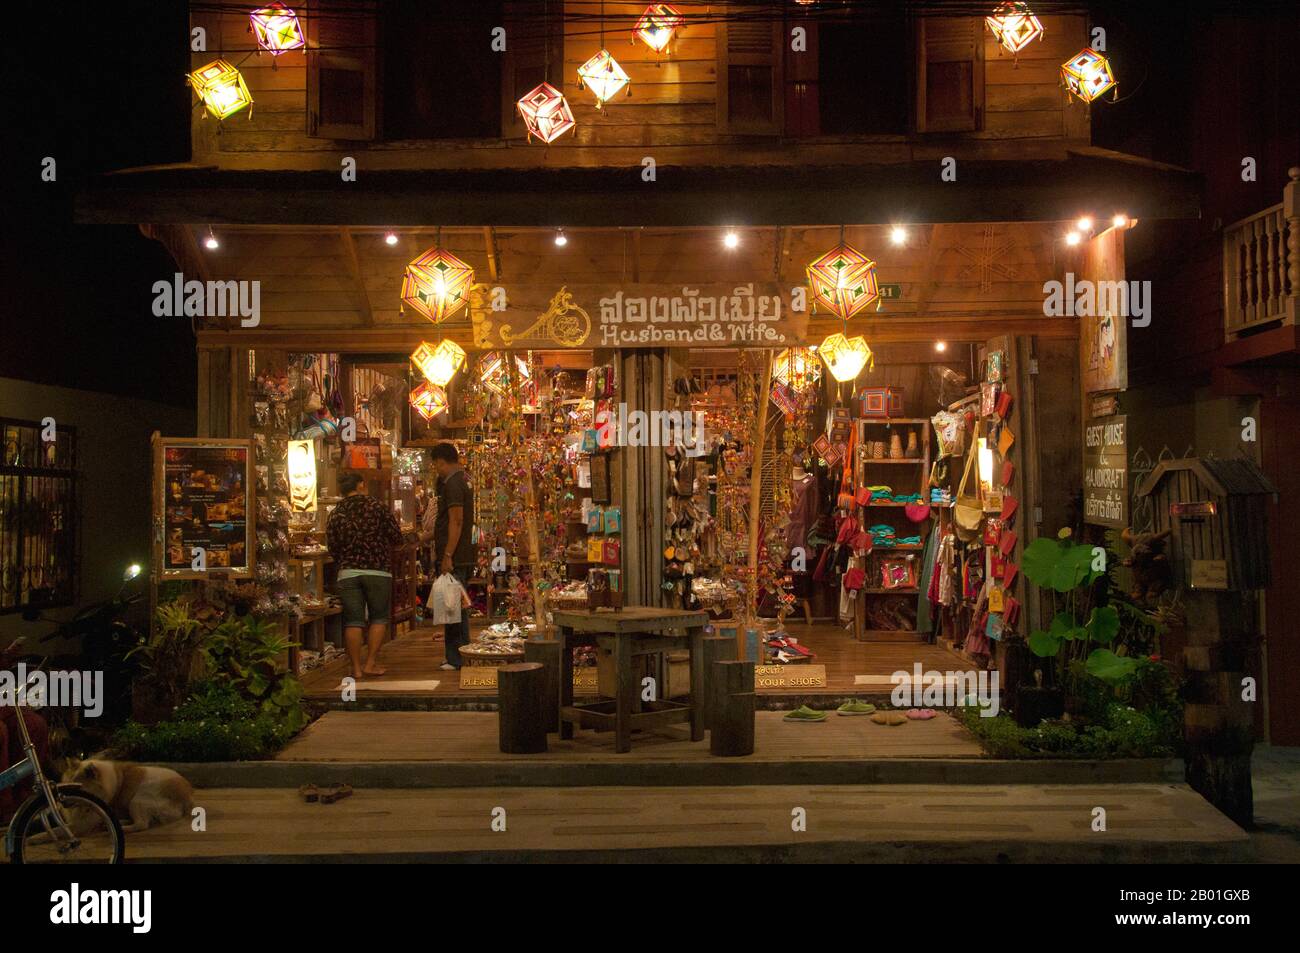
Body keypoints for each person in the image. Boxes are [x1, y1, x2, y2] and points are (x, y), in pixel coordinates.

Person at [326, 472, 403, 680]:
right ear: (360, 485)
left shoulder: (335, 513)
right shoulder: (376, 507)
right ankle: (370, 663)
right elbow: (396, 536)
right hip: (377, 570)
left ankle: (357, 669)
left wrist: (345, 559)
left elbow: (332, 546)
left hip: (348, 572)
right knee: (378, 617)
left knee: (353, 621)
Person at [422, 442, 475, 670]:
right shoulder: (463, 479)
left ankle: (456, 658)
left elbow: (456, 520)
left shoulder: (453, 483)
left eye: (436, 465)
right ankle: (461, 654)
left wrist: (447, 555)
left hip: (456, 555)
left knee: (452, 607)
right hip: (462, 552)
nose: (436, 469)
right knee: (457, 607)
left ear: (441, 461)